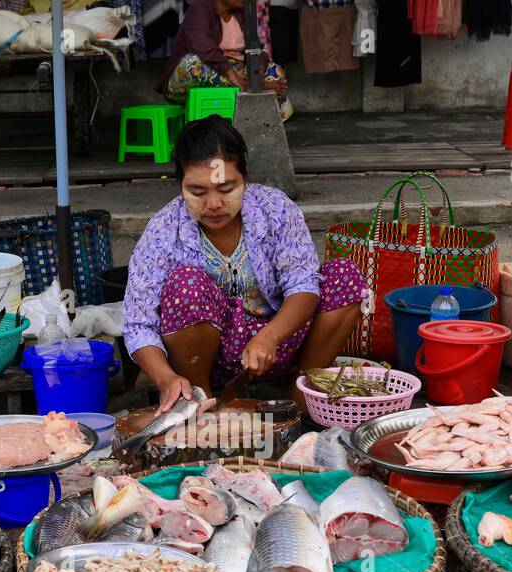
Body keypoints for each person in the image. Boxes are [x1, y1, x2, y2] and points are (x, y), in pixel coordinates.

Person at [123, 117, 366, 413]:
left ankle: (301, 399)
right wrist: (164, 379)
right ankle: (204, 403)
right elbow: (138, 325)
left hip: (280, 345)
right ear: (180, 185)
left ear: (245, 178)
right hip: (207, 359)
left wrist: (270, 336)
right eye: (197, 192)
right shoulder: (164, 230)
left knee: (345, 276)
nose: (213, 203)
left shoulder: (275, 209)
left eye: (226, 188)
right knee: (186, 284)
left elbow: (303, 284)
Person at [158, 0, 292, 122]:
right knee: (193, 64)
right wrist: (234, 77)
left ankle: (255, 88)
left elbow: (256, 49)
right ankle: (254, 88)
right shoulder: (200, 8)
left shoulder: (242, 12)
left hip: (234, 74)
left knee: (275, 71)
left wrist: (259, 75)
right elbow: (204, 48)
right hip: (189, 79)